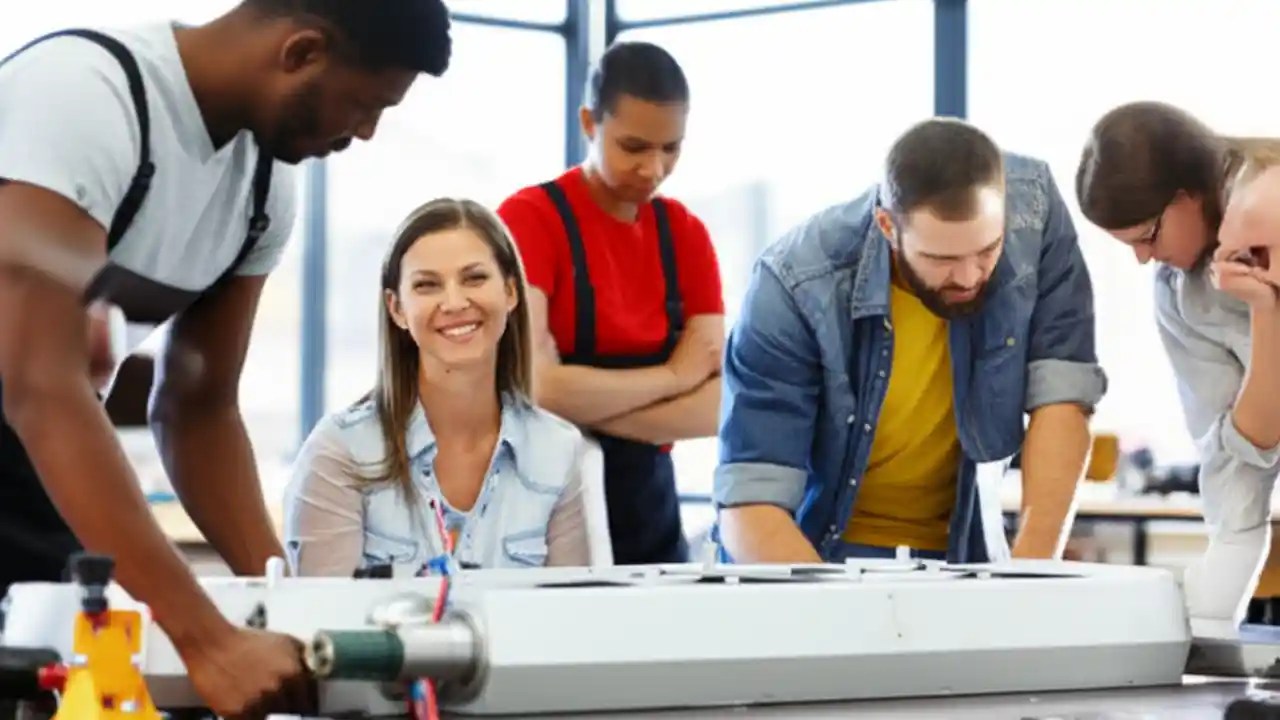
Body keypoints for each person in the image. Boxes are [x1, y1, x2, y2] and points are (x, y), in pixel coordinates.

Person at [0, 1, 450, 716]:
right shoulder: (85, 94)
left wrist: (292, 607)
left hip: (38, 464)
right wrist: (207, 640)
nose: (364, 132)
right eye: (365, 104)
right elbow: (38, 383)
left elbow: (198, 408)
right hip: (37, 417)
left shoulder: (265, 187)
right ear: (301, 52)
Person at [714, 118, 1107, 565]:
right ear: (887, 225)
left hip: (963, 555)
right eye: (941, 259)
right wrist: (826, 622)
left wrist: (1030, 576)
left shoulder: (1033, 212)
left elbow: (1063, 397)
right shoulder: (794, 283)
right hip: (811, 556)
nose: (969, 277)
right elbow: (751, 499)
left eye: (988, 250)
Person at [283, 199, 612, 577]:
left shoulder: (561, 452)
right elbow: (321, 621)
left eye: (474, 278)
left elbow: (572, 620)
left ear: (510, 291)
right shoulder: (340, 451)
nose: (454, 302)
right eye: (427, 285)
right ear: (397, 309)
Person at [496, 41, 725, 566]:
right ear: (588, 123)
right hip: (542, 505)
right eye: (634, 146)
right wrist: (672, 378)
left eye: (671, 148)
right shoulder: (531, 218)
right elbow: (534, 385)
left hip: (649, 506)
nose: (654, 168)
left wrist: (584, 404)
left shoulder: (685, 234)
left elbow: (720, 405)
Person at [1075, 101, 1280, 634]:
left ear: (1187, 194)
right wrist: (1267, 314)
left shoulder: (1268, 198)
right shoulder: (1180, 296)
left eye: (1147, 236)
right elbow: (1243, 463)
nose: (1144, 259)